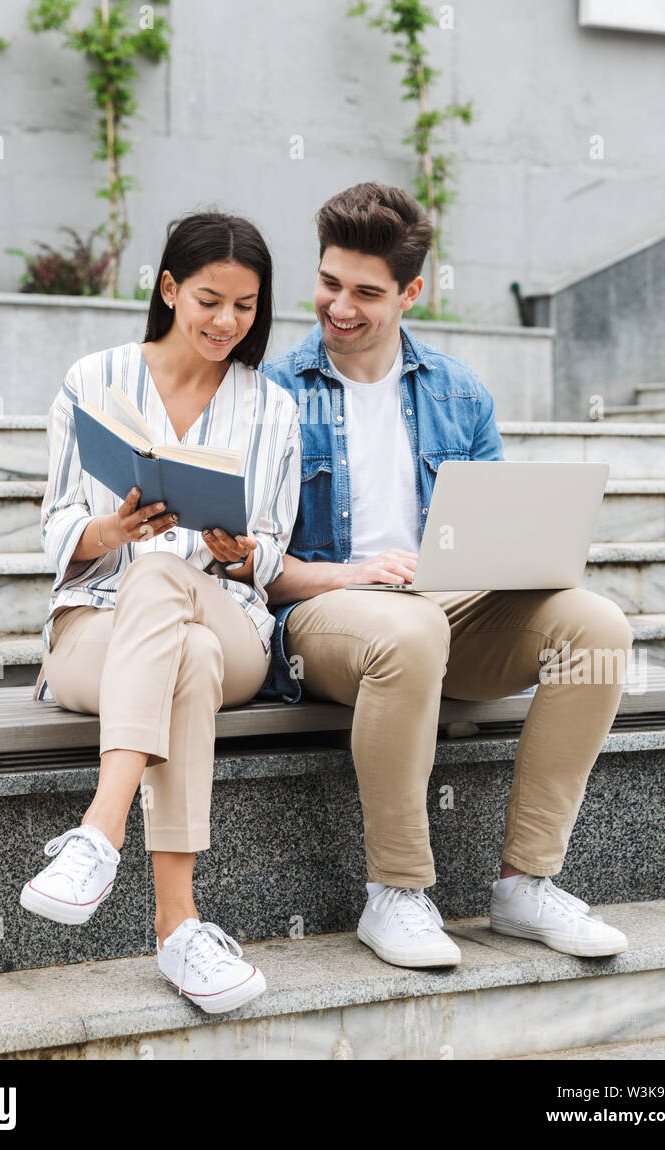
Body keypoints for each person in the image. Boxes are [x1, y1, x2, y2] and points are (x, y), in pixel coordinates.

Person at [261, 181, 633, 969]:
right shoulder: (271, 391)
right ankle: (395, 893)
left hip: (440, 614)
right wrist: (353, 574)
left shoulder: (459, 392)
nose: (340, 307)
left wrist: (523, 560)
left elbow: (493, 530)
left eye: (366, 292)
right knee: (411, 626)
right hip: (323, 613)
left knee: (596, 626)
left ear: (410, 293)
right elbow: (250, 566)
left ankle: (524, 885)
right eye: (329, 283)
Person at [22, 211, 300, 1015]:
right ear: (170, 289)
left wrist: (242, 549)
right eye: (211, 300)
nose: (227, 323)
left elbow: (275, 552)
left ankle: (99, 835)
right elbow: (55, 527)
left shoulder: (270, 407)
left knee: (174, 586)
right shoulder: (94, 381)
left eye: (246, 307)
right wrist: (113, 530)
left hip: (231, 622)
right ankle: (179, 928)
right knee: (176, 633)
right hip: (95, 627)